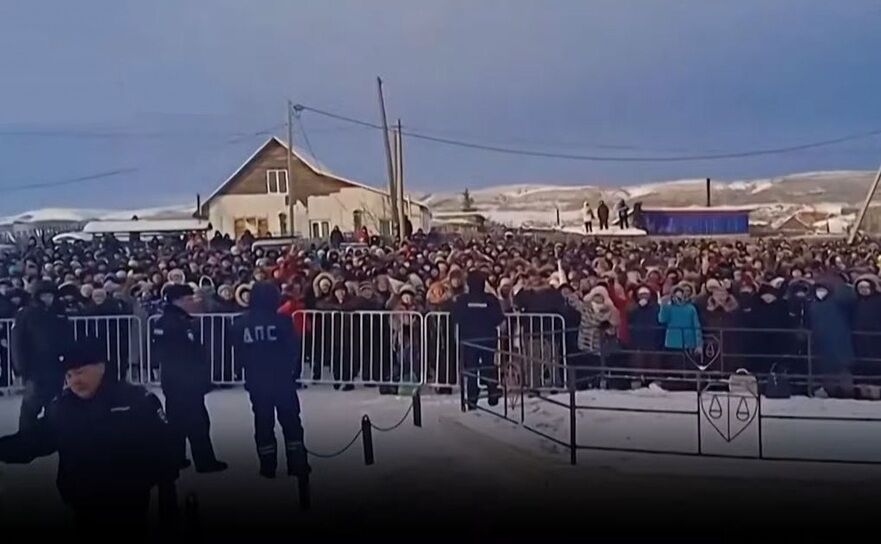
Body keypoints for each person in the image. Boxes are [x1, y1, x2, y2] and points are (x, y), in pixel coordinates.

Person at [0, 338, 180, 530]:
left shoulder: (136, 401)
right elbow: (32, 441)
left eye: (80, 372)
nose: (74, 381)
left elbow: (165, 451)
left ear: (101, 367)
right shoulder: (62, 407)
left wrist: (167, 501)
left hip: (128, 503)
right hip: (82, 504)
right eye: (68, 375)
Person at [232, 281, 310, 480]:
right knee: (291, 421)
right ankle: (297, 463)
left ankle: (268, 466)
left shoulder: (241, 323)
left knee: (263, 422)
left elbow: (238, 353)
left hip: (257, 380)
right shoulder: (282, 322)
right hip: (282, 379)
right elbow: (293, 349)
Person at [151, 284, 227, 473]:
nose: (193, 302)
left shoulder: (166, 321)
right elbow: (186, 352)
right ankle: (204, 461)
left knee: (176, 420)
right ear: (180, 300)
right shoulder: (176, 322)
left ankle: (175, 458)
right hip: (185, 380)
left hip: (173, 379)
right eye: (189, 299)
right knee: (197, 421)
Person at [12, 280, 70, 431]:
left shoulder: (59, 313)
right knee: (30, 407)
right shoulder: (26, 314)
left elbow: (67, 338)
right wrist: (20, 366)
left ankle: (51, 437)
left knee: (55, 408)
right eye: (44, 295)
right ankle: (25, 439)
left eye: (50, 295)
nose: (47, 299)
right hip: (34, 368)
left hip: (55, 367)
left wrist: (69, 361)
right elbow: (18, 341)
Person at [451, 270, 505, 410]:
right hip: (487, 338)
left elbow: (456, 318)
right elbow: (498, 318)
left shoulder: (462, 300)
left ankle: (472, 400)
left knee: (471, 370)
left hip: (469, 340)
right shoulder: (491, 299)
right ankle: (492, 391)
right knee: (488, 365)